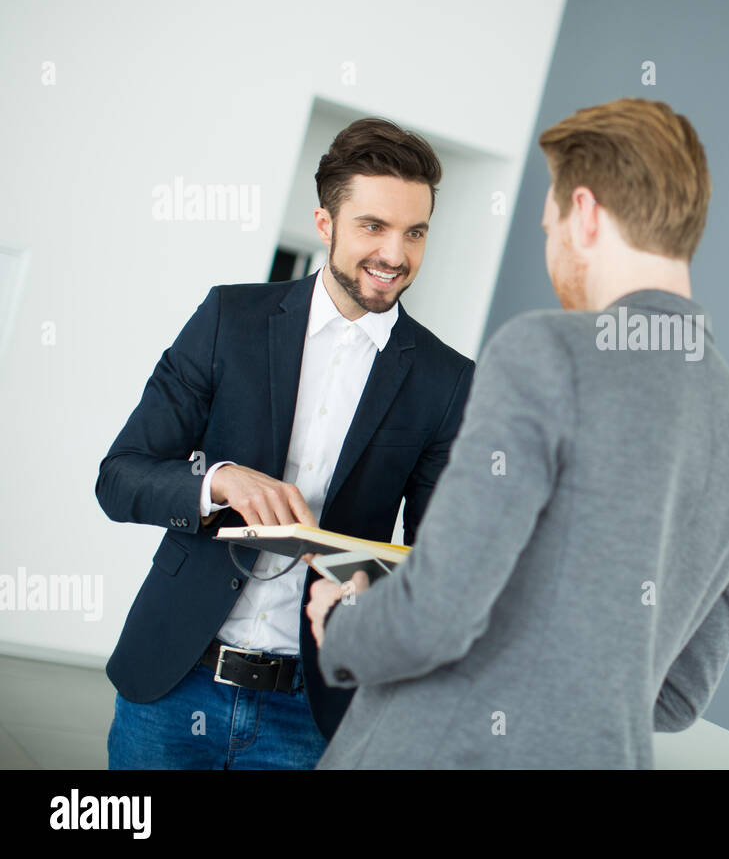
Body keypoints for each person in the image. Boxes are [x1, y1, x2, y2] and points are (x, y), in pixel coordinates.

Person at [307, 97, 729, 768]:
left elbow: (432, 620)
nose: (553, 248)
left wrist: (345, 622)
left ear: (584, 214)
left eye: (550, 226)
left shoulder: (548, 352)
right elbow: (677, 697)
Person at [95, 118, 474, 768]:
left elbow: (434, 559)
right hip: (170, 683)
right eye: (373, 227)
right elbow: (121, 478)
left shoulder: (447, 380)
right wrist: (218, 482)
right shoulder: (228, 320)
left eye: (415, 233)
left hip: (311, 713)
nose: (395, 254)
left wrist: (372, 587)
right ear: (325, 224)